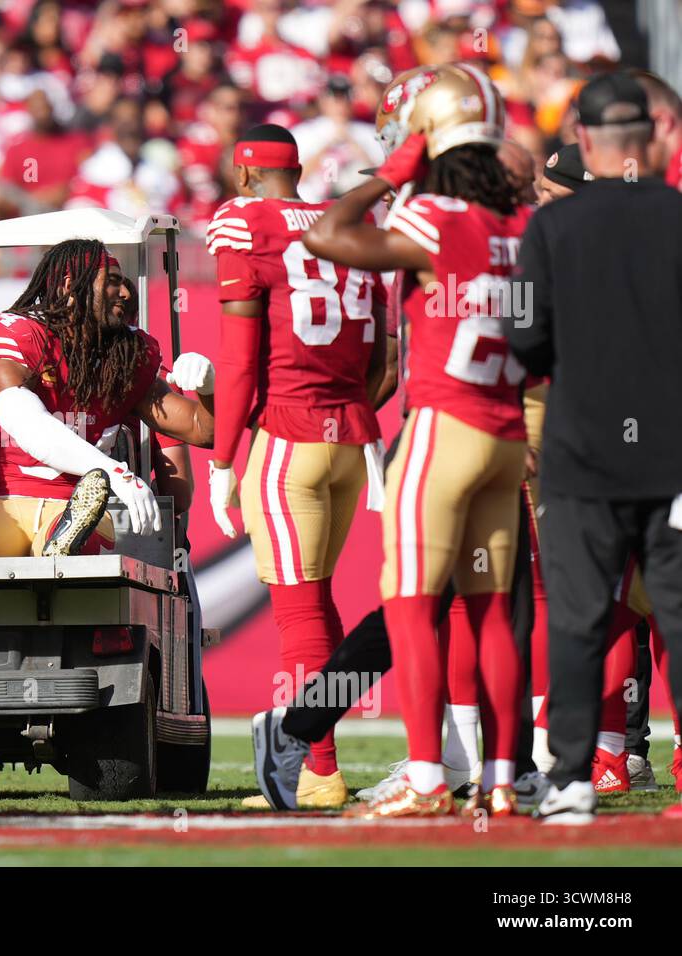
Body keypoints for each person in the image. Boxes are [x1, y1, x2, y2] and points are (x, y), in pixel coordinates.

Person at [304, 63, 531, 819]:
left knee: (409, 601)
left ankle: (429, 777)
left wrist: (390, 174)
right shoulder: (520, 224)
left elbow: (329, 236)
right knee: (493, 609)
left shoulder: (436, 214)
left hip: (444, 424)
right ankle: (501, 780)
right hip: (505, 434)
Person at [506, 72, 682, 823]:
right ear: (651, 137)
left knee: (581, 616)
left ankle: (576, 773)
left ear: (583, 139)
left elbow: (523, 337)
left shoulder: (547, 231)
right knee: (677, 614)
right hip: (673, 453)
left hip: (581, 453)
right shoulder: (679, 217)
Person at [205, 124, 386, 809]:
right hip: (351, 441)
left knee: (301, 613)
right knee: (322, 608)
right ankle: (320, 766)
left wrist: (224, 457)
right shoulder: (349, 223)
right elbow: (384, 353)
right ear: (299, 169)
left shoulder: (245, 220)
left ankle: (319, 772)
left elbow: (241, 359)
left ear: (245, 175)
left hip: (289, 437)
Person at [0, 241, 214, 561]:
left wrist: (208, 387)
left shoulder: (124, 358)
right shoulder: (19, 333)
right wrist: (112, 472)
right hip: (5, 505)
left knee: (77, 535)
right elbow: (27, 424)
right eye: (112, 281)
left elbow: (204, 431)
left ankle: (61, 544)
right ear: (71, 286)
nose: (125, 293)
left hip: (81, 508)